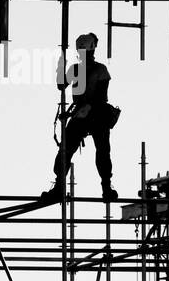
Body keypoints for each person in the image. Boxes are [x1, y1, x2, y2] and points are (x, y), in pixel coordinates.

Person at [40, 32, 120, 203]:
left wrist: (87, 107)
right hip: (86, 113)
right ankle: (61, 186)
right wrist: (61, 67)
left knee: (98, 150)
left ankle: (105, 186)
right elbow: (61, 84)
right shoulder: (87, 69)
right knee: (68, 150)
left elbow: (99, 96)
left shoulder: (96, 70)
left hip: (95, 113)